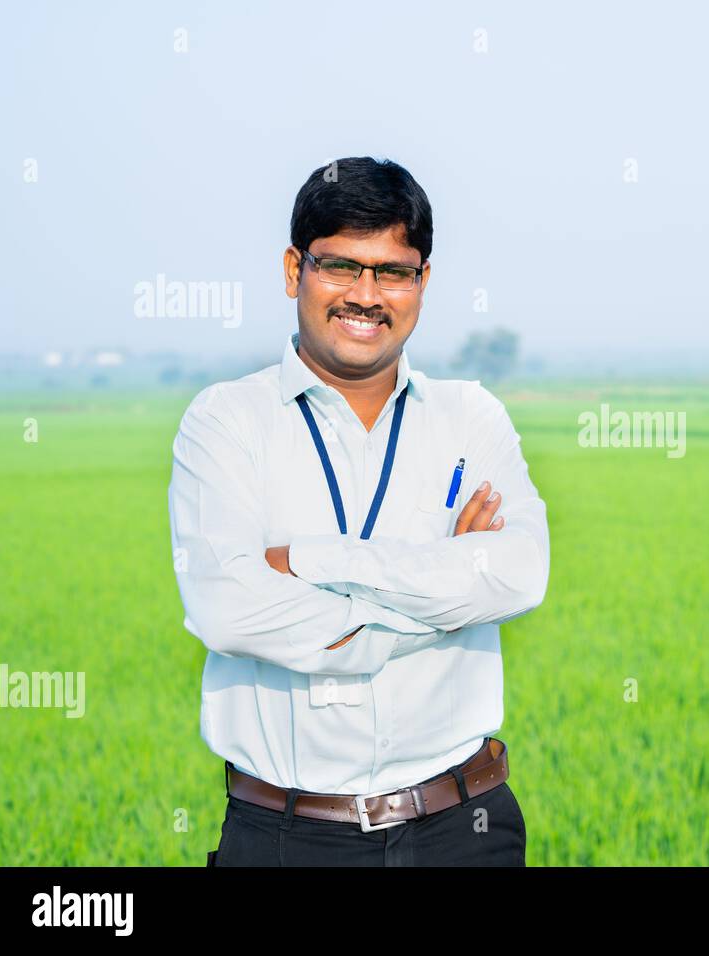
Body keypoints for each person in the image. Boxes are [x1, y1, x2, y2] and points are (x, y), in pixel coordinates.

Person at [168, 156, 549, 866]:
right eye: (340, 265)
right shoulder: (226, 422)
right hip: (286, 837)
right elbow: (226, 609)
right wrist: (448, 589)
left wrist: (316, 563)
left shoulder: (471, 417)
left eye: (392, 271)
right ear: (294, 271)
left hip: (464, 829)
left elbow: (522, 575)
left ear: (422, 283)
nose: (366, 295)